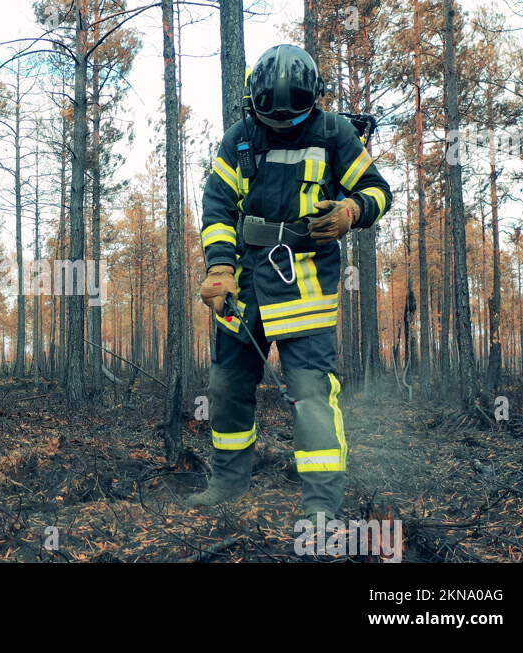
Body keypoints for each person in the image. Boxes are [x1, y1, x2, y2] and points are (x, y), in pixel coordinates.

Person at [187, 44, 393, 524]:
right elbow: (218, 210)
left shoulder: (335, 132)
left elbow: (378, 190)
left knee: (311, 392)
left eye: (293, 111)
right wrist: (219, 269)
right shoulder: (238, 140)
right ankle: (227, 482)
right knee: (227, 383)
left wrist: (351, 211)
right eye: (271, 113)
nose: (282, 120)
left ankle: (322, 503)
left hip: (306, 282)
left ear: (314, 98)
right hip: (246, 282)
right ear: (253, 100)